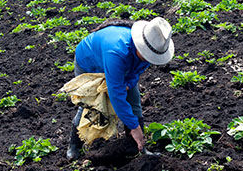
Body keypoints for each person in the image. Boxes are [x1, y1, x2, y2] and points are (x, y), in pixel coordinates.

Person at [67, 17, 175, 160]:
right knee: (91, 107)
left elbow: (135, 72)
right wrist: (134, 127)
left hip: (118, 65)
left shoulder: (150, 50)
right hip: (90, 64)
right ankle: (74, 145)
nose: (151, 59)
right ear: (140, 46)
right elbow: (116, 95)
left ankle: (137, 147)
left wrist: (129, 84)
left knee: (134, 101)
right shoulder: (117, 51)